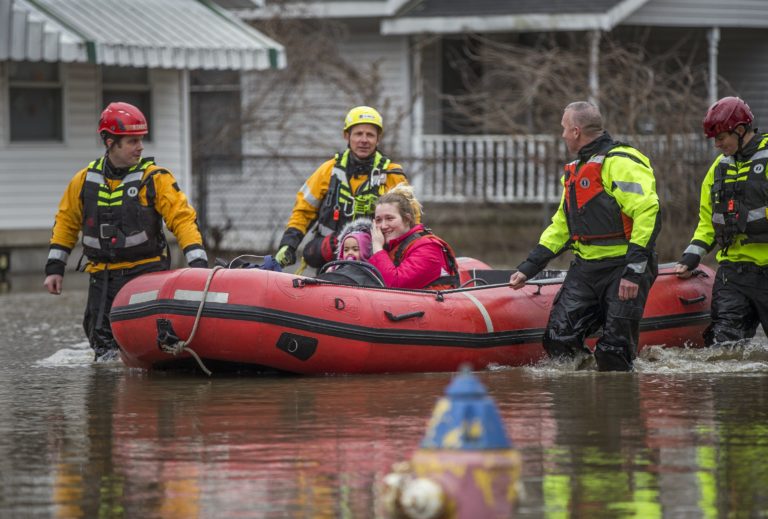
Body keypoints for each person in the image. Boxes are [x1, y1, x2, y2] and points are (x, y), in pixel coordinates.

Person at [43, 102, 208, 361]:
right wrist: (55, 269)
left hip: (146, 275)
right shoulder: (84, 180)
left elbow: (183, 219)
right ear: (110, 142)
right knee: (103, 351)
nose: (140, 147)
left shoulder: (155, 179)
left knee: (153, 345)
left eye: (141, 140)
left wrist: (197, 262)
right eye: (132, 141)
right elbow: (66, 223)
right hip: (102, 279)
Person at [509, 101, 661, 372]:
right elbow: (562, 226)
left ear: (576, 131)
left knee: (614, 352)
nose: (563, 135)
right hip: (587, 268)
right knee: (557, 339)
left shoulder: (621, 162)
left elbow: (648, 213)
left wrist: (633, 272)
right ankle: (582, 398)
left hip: (622, 267)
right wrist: (529, 267)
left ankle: (616, 403)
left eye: (564, 129)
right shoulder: (577, 171)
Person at [675, 96, 768, 346]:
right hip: (733, 275)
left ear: (740, 130)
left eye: (721, 138)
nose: (717, 145)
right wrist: (690, 257)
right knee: (723, 348)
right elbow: (708, 222)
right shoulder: (718, 169)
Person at [274, 106, 407, 270]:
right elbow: (303, 210)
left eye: (370, 135)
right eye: (358, 134)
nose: (364, 140)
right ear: (347, 136)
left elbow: (409, 219)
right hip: (331, 259)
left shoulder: (392, 174)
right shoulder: (328, 171)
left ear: (378, 139)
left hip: (375, 260)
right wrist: (288, 244)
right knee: (310, 252)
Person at [369, 183, 459, 289]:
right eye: (378, 220)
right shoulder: (387, 246)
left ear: (407, 219)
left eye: (390, 218)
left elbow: (395, 286)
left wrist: (378, 248)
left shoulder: (429, 248)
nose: (383, 226)